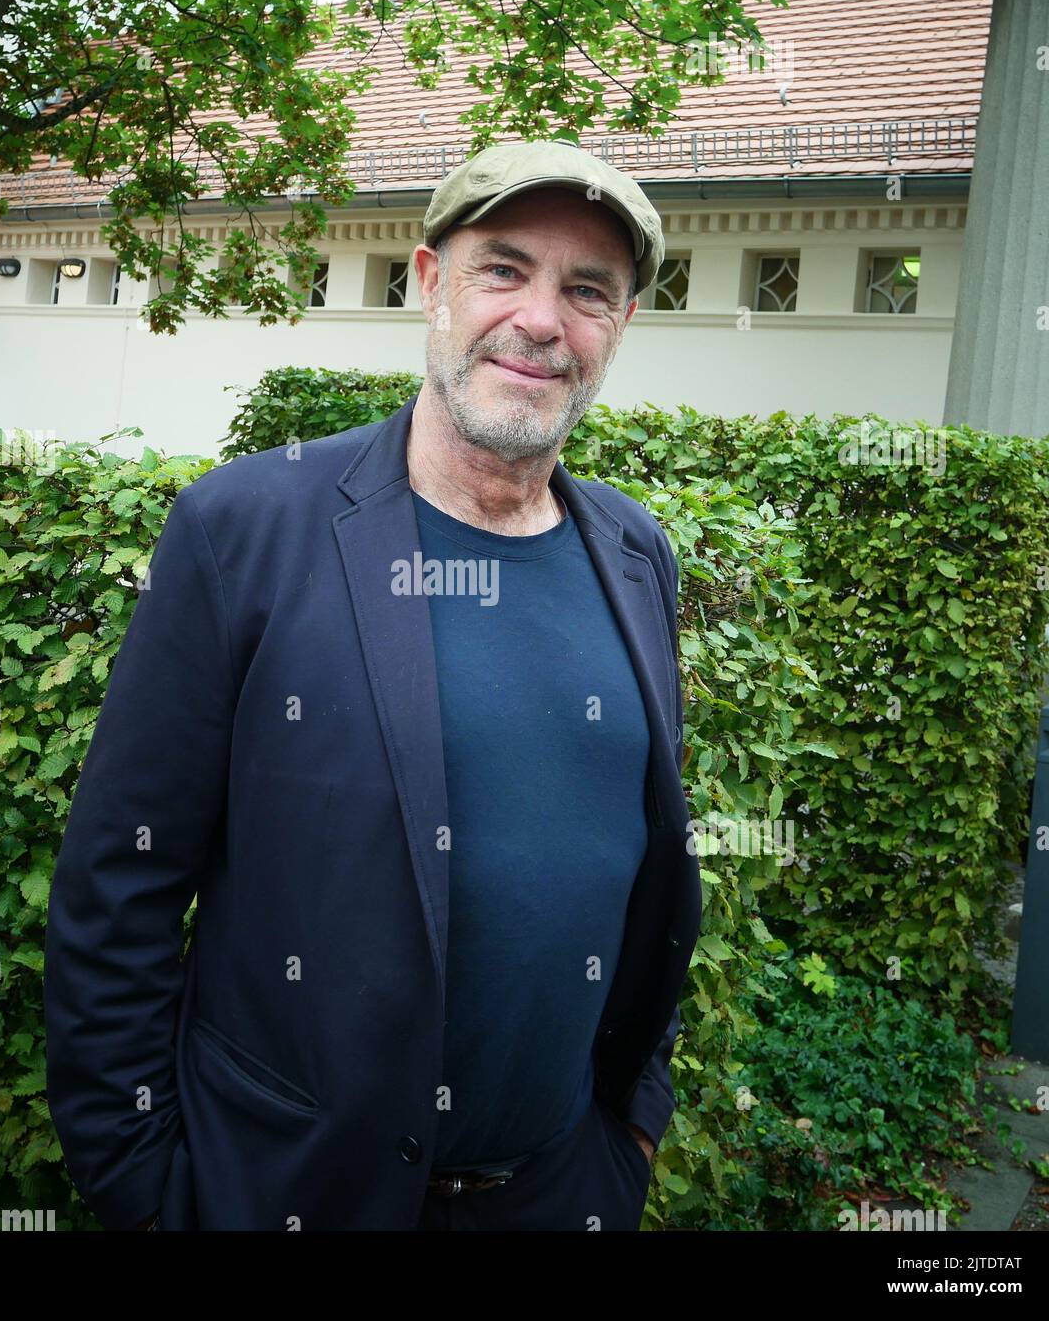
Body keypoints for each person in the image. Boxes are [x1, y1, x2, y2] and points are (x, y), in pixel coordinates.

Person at [44, 139, 702, 1231]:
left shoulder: (635, 553)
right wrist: (147, 1190)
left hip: (555, 1194)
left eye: (587, 290)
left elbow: (641, 884)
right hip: (288, 1193)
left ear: (619, 325)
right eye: (503, 268)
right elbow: (121, 890)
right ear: (429, 281)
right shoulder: (244, 529)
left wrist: (629, 1133)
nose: (542, 319)